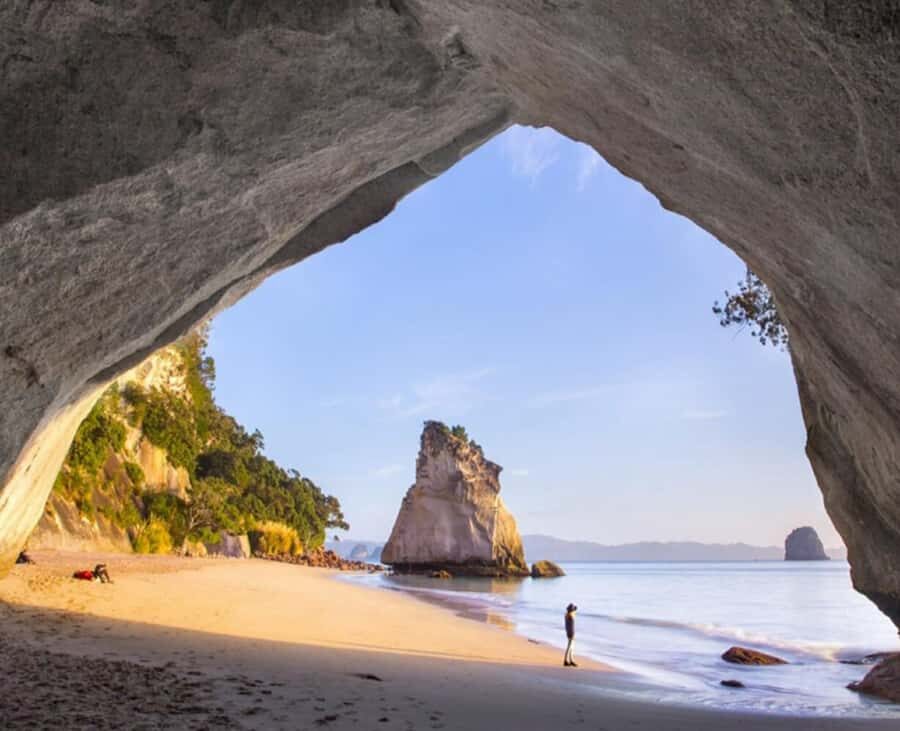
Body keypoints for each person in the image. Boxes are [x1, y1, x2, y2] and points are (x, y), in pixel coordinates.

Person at [564, 603, 578, 667]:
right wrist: (572, 634)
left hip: (569, 632)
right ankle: (566, 660)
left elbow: (568, 626)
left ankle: (570, 660)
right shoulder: (571, 615)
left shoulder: (567, 615)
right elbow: (571, 626)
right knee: (569, 647)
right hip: (571, 632)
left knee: (571, 647)